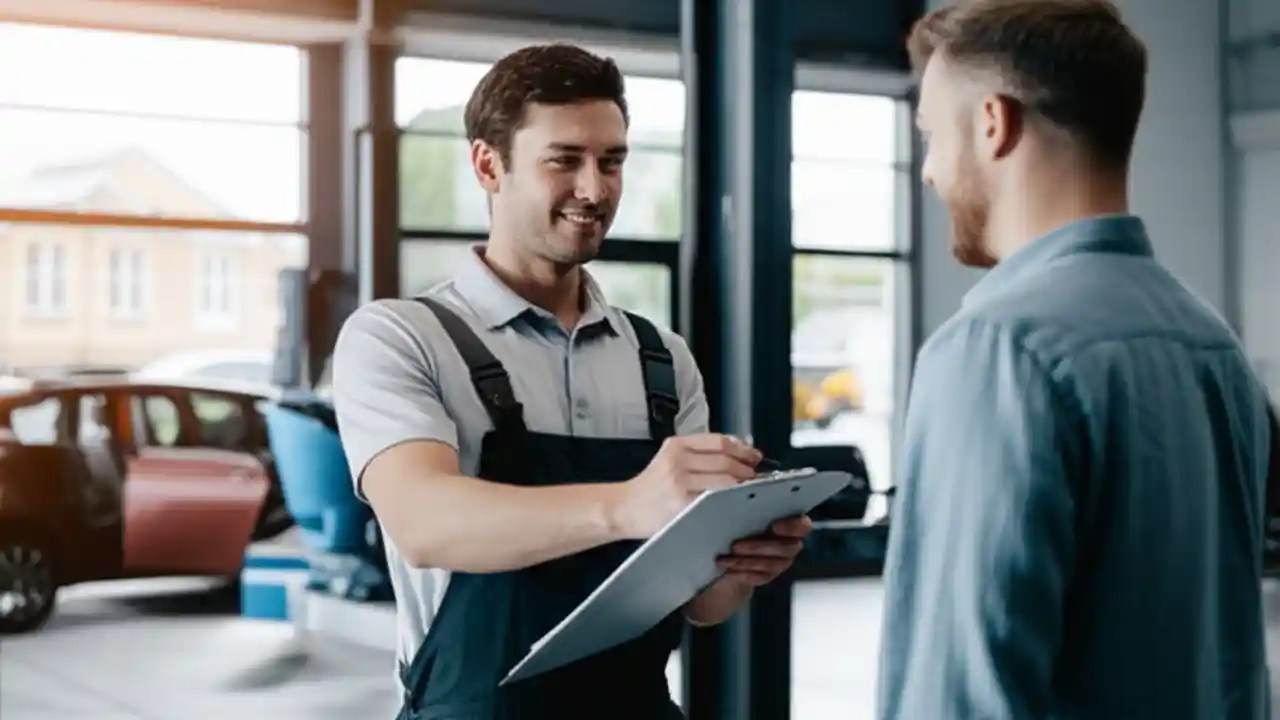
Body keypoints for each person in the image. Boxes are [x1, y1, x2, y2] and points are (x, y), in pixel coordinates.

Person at [331, 44, 812, 719]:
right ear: (487, 165)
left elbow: (703, 607)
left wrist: (745, 564)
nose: (596, 189)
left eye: (611, 161)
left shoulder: (661, 359)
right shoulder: (399, 337)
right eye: (565, 160)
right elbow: (423, 521)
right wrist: (626, 504)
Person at [878, 1, 1274, 718]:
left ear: (994, 124)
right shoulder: (1215, 350)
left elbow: (958, 694)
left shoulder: (995, 351)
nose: (930, 173)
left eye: (933, 136)